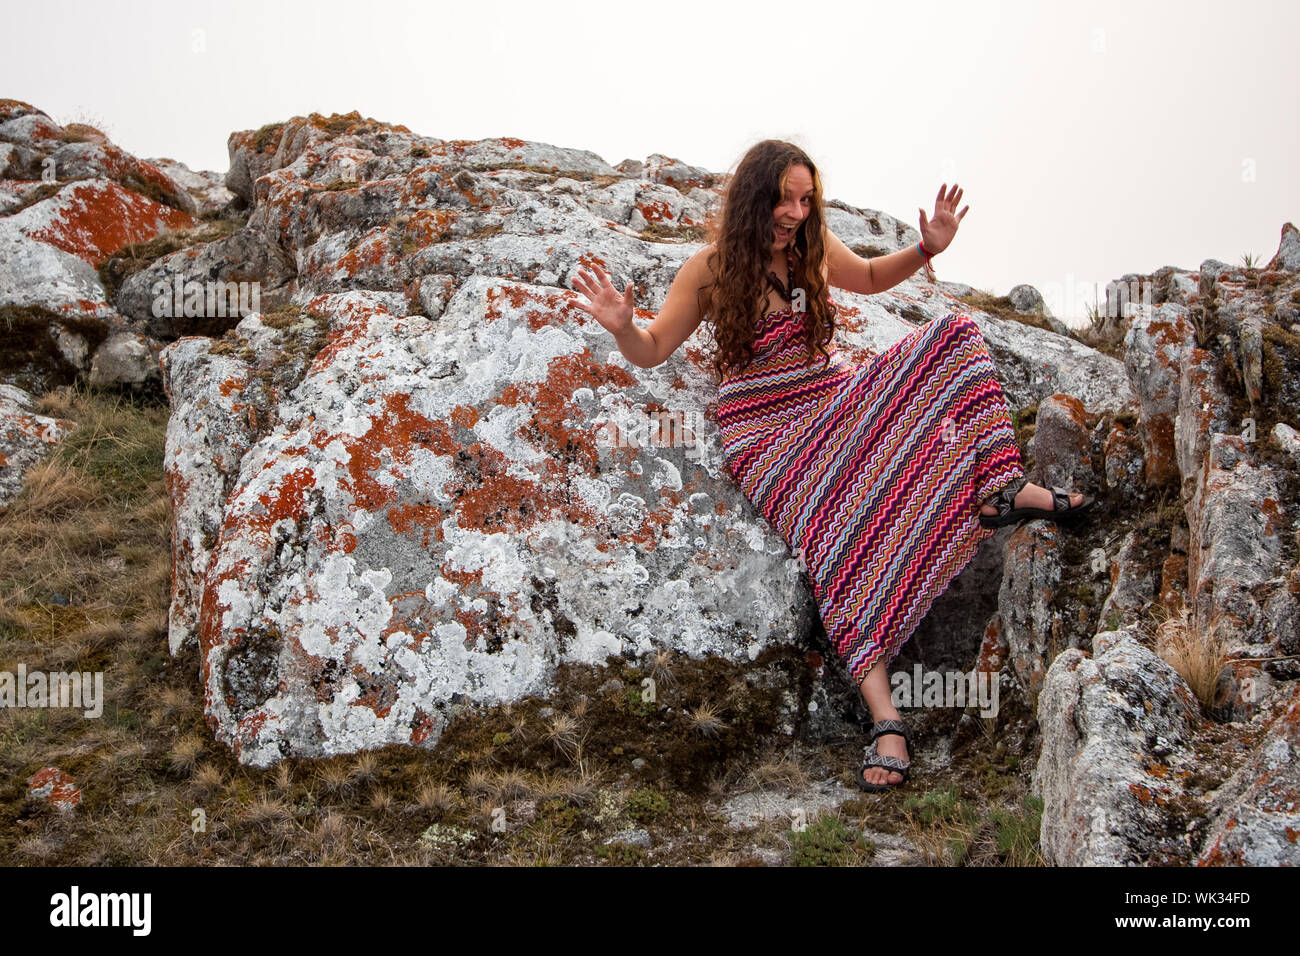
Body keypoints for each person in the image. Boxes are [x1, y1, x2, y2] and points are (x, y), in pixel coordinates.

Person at [571, 139, 1093, 792]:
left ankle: (1000, 488)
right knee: (832, 541)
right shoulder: (710, 268)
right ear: (754, 198)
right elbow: (651, 348)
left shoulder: (812, 249)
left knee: (957, 334)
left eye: (806, 198)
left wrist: (929, 247)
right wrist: (622, 326)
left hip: (834, 399)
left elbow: (872, 277)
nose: (796, 211)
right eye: (785, 198)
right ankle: (886, 721)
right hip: (770, 439)